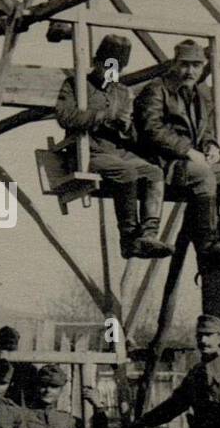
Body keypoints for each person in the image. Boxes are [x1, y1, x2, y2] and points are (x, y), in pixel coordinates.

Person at [133, 40, 220, 268]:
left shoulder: (200, 94)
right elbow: (151, 129)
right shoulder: (156, 90)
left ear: (203, 67)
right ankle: (208, 245)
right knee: (203, 175)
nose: (190, 71)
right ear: (174, 64)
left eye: (196, 65)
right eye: (185, 65)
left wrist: (211, 146)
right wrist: (187, 150)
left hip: (195, 159)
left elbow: (206, 129)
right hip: (164, 161)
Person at [55, 33, 172, 260]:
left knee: (154, 172)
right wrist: (104, 116)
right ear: (96, 62)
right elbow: (64, 115)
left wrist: (127, 126)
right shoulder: (76, 84)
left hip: (116, 151)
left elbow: (131, 135)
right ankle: (128, 239)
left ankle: (148, 235)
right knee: (125, 171)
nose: (111, 73)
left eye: (117, 69)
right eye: (108, 66)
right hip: (87, 151)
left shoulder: (121, 92)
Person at [0, 325, 39, 406]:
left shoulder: (28, 369)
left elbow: (34, 396)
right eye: (3, 343)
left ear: (17, 344)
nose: (7, 346)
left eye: (11, 343)